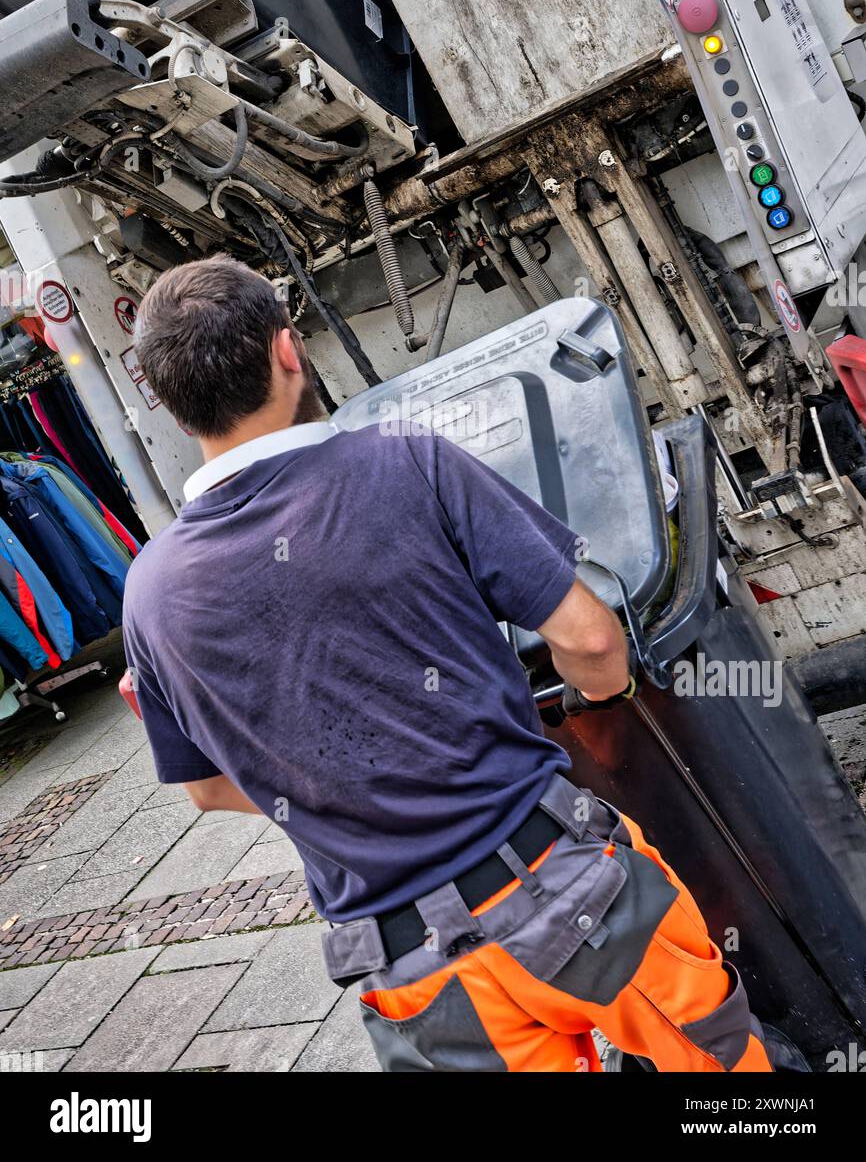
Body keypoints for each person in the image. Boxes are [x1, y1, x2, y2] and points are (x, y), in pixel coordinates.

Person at [123, 254, 772, 1073]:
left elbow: (208, 789)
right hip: (567, 893)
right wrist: (599, 697)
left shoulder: (148, 593)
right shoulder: (403, 462)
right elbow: (594, 642)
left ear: (175, 406)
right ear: (287, 352)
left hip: (410, 971)